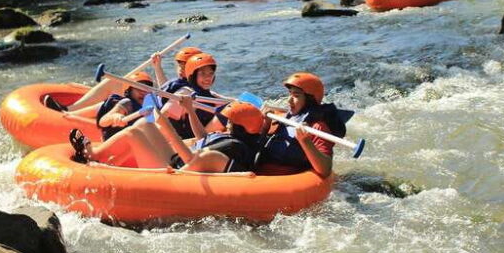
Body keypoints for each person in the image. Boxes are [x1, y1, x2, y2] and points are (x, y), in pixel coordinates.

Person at [78, 99, 265, 173]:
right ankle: (100, 155)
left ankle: (94, 156)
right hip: (176, 162)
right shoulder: (233, 141)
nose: (227, 124)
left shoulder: (233, 148)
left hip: (172, 173)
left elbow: (191, 160)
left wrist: (167, 127)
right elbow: (203, 139)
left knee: (133, 133)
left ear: (242, 128)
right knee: (144, 123)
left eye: (231, 122)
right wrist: (190, 110)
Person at [257, 72, 346, 178]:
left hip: (286, 178)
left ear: (309, 100)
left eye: (296, 96)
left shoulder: (317, 127)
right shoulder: (285, 118)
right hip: (262, 172)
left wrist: (305, 141)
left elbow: (325, 170)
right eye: (290, 94)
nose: (289, 100)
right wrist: (265, 126)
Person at [162, 52, 219, 138]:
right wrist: (177, 141)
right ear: (193, 76)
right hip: (188, 142)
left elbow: (229, 102)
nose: (208, 78)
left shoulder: (209, 94)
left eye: (210, 73)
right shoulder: (185, 93)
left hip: (205, 138)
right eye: (202, 74)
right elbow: (161, 118)